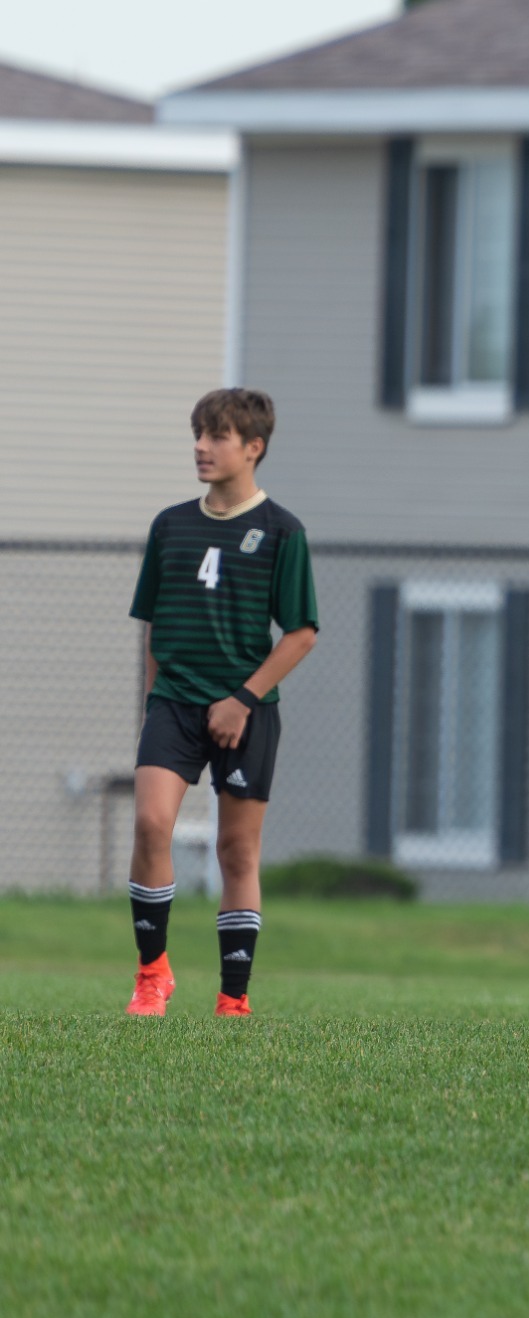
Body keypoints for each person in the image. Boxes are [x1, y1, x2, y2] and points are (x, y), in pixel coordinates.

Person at [123, 388, 318, 1017]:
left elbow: (301, 633)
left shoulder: (283, 531)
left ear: (253, 448)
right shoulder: (170, 524)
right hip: (175, 704)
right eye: (198, 434)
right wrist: (156, 699)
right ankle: (153, 975)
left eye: (217, 436)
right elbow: (152, 622)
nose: (202, 447)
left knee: (237, 852)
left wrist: (242, 698)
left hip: (246, 711)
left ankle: (233, 999)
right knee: (152, 823)